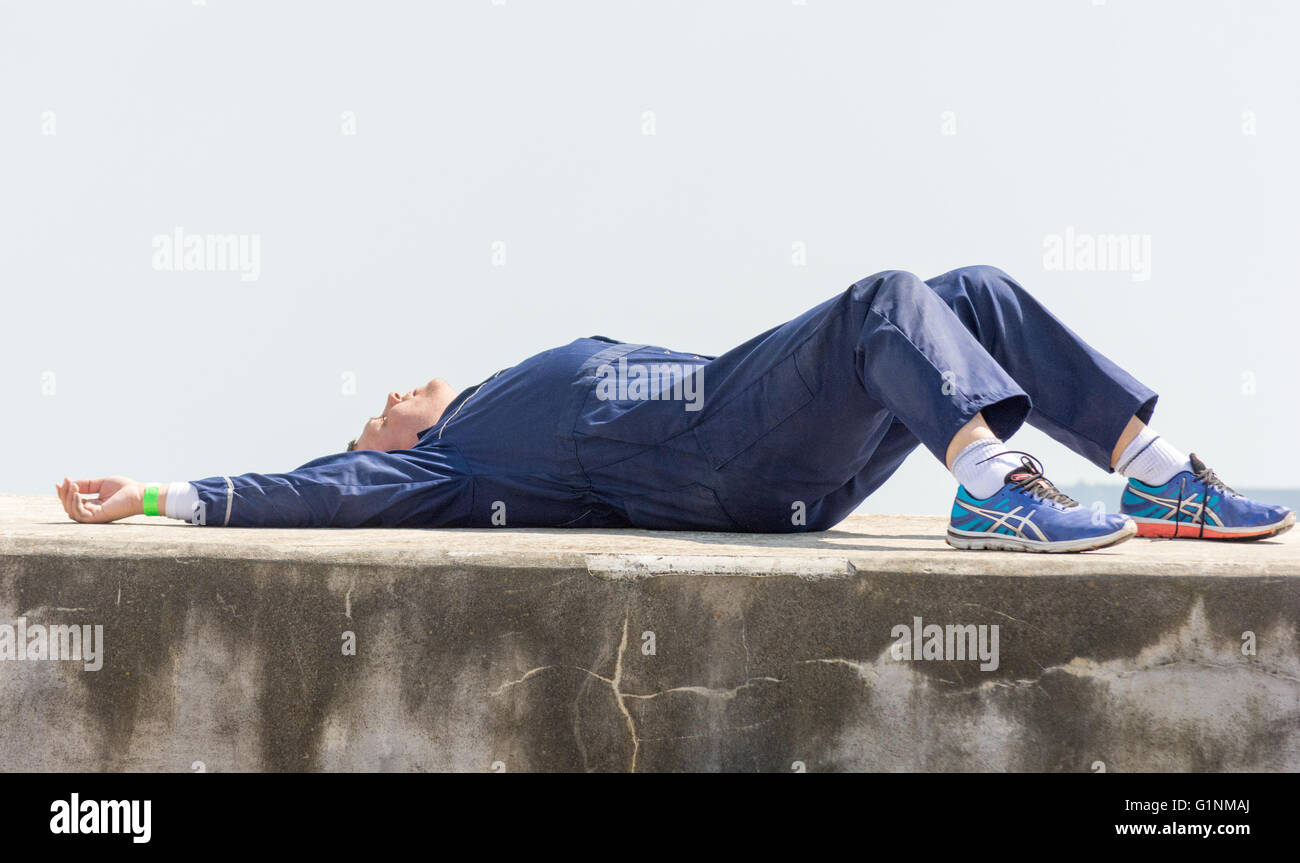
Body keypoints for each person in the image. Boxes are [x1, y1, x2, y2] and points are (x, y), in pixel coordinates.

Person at [55, 266, 1294, 552]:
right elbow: (311, 491)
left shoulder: (497, 394)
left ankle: (1157, 466)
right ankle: (994, 488)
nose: (390, 395)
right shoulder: (451, 459)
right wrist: (164, 493)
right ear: (395, 447)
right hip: (722, 445)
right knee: (884, 295)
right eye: (375, 409)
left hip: (748, 412)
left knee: (960, 292)